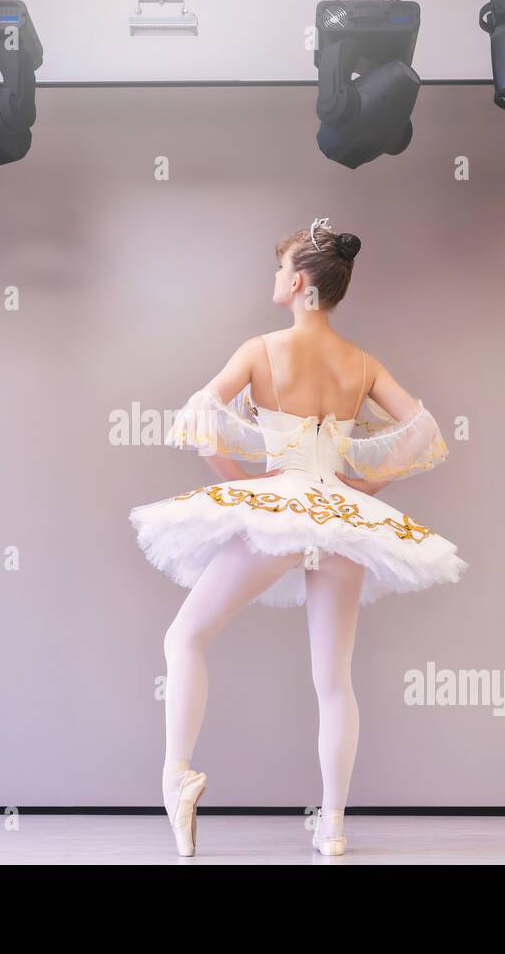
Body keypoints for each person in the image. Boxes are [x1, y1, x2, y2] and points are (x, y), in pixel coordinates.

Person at [129, 218, 468, 857]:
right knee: (334, 680)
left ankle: (178, 776)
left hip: (280, 506)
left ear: (301, 282)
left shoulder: (260, 350)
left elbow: (201, 422)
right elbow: (423, 430)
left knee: (185, 636)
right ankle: (334, 827)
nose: (275, 277)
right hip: (341, 521)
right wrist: (360, 493)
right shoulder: (361, 363)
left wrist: (242, 495)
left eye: (282, 267)